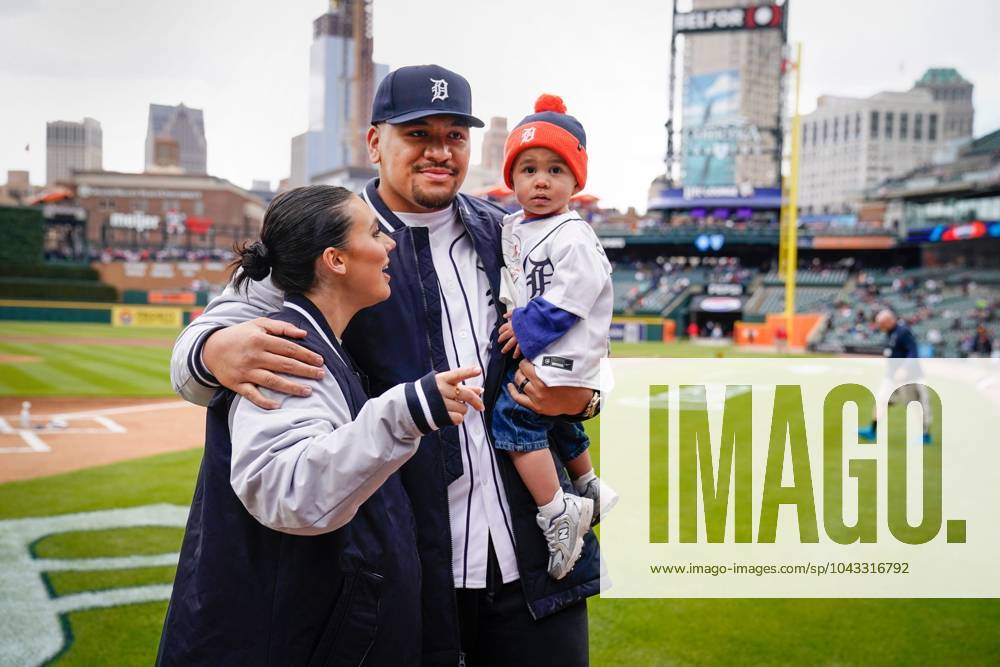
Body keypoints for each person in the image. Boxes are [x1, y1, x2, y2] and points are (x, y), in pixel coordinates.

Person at [170, 66, 599, 666]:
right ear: (376, 142)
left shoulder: (508, 231)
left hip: (534, 557)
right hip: (413, 569)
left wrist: (583, 399)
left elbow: (587, 333)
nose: (439, 151)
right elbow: (196, 356)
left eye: (455, 135)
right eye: (418, 133)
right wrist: (210, 352)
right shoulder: (337, 233)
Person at [157, 185, 484, 665]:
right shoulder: (283, 350)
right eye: (374, 233)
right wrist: (407, 411)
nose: (390, 243)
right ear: (335, 260)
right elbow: (287, 488)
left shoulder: (313, 337)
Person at [492, 95, 618, 580]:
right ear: (513, 179)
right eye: (527, 169)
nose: (540, 180)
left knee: (515, 420)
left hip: (565, 350)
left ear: (575, 181)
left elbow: (577, 291)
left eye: (555, 170)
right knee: (557, 424)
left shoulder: (572, 231)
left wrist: (525, 326)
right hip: (559, 353)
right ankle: (587, 484)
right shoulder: (519, 225)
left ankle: (557, 508)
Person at [858, 309, 932, 445]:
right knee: (881, 401)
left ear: (889, 321)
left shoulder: (903, 332)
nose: (879, 327)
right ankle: (872, 430)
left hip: (909, 378)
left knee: (915, 405)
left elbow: (913, 352)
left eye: (881, 323)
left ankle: (925, 435)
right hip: (892, 378)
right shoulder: (889, 333)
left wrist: (904, 368)